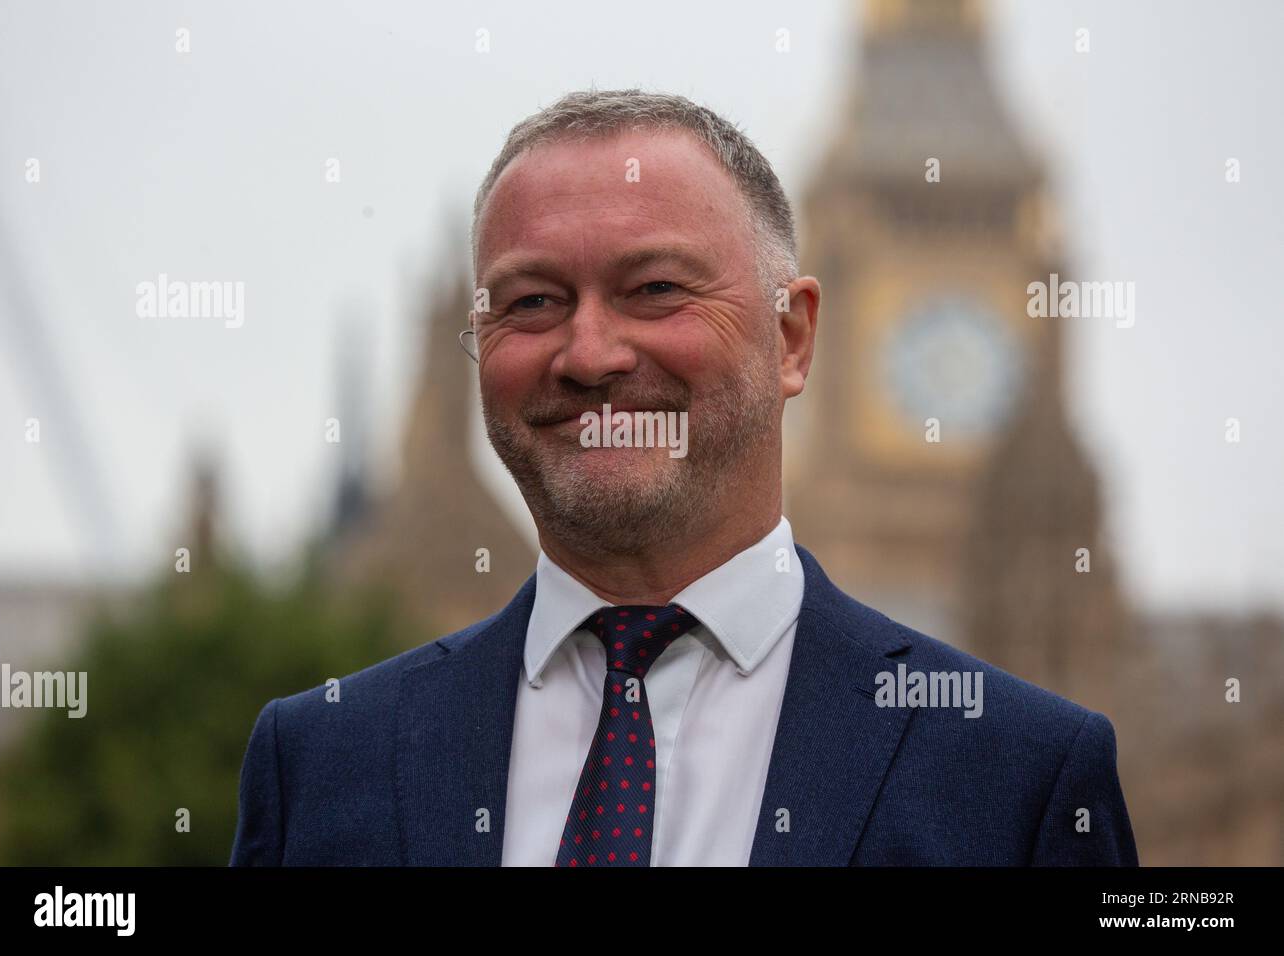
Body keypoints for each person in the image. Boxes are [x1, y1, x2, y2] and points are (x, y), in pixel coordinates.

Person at [230, 89, 1138, 866]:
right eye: (533, 301)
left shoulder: (1023, 781)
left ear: (792, 336)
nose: (589, 353)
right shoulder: (315, 768)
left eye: (656, 289)